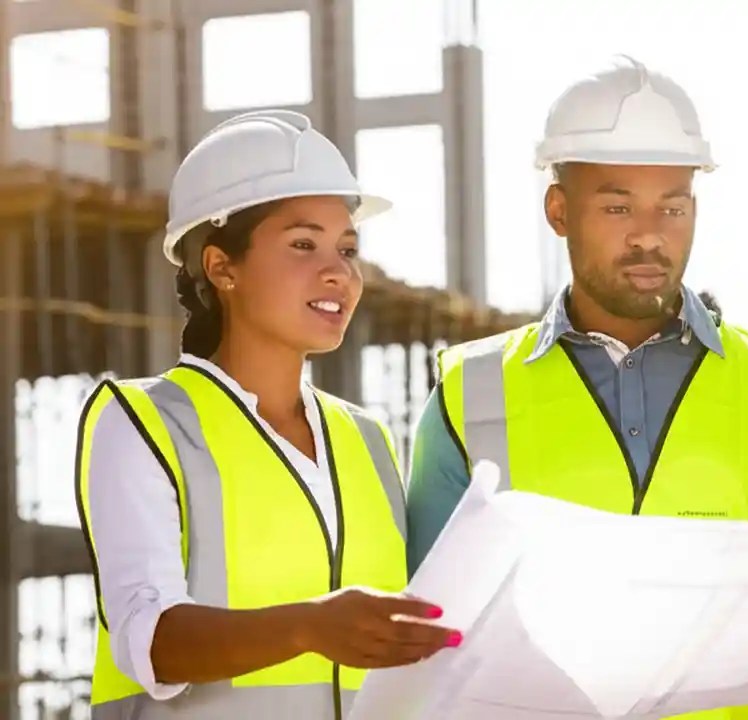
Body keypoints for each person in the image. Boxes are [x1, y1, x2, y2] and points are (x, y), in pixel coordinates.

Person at [405, 56, 748, 720]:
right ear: (559, 211)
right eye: (617, 206)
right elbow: (431, 638)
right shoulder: (468, 398)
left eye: (671, 207)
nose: (649, 235)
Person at [74, 110, 460, 719]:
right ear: (221, 267)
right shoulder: (143, 422)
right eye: (303, 245)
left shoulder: (368, 438)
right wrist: (308, 626)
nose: (338, 271)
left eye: (347, 248)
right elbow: (149, 641)